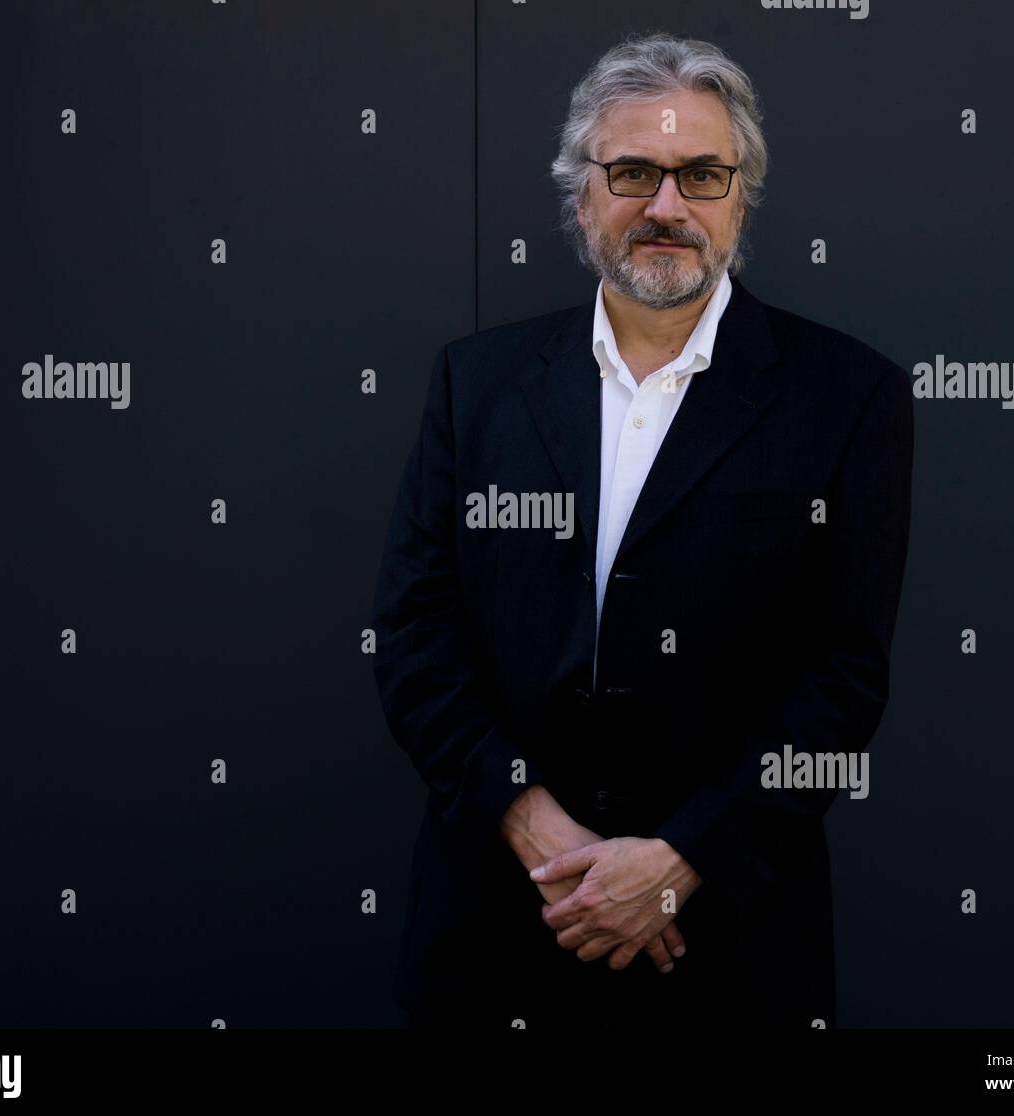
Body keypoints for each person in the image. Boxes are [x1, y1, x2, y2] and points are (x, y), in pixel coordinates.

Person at [371, 32, 913, 1030]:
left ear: (739, 198)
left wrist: (679, 861)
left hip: (725, 950)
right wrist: (538, 835)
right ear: (582, 194)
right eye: (633, 172)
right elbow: (412, 631)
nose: (667, 206)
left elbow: (843, 677)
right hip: (497, 930)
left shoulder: (849, 397)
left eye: (701, 174)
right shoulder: (476, 383)